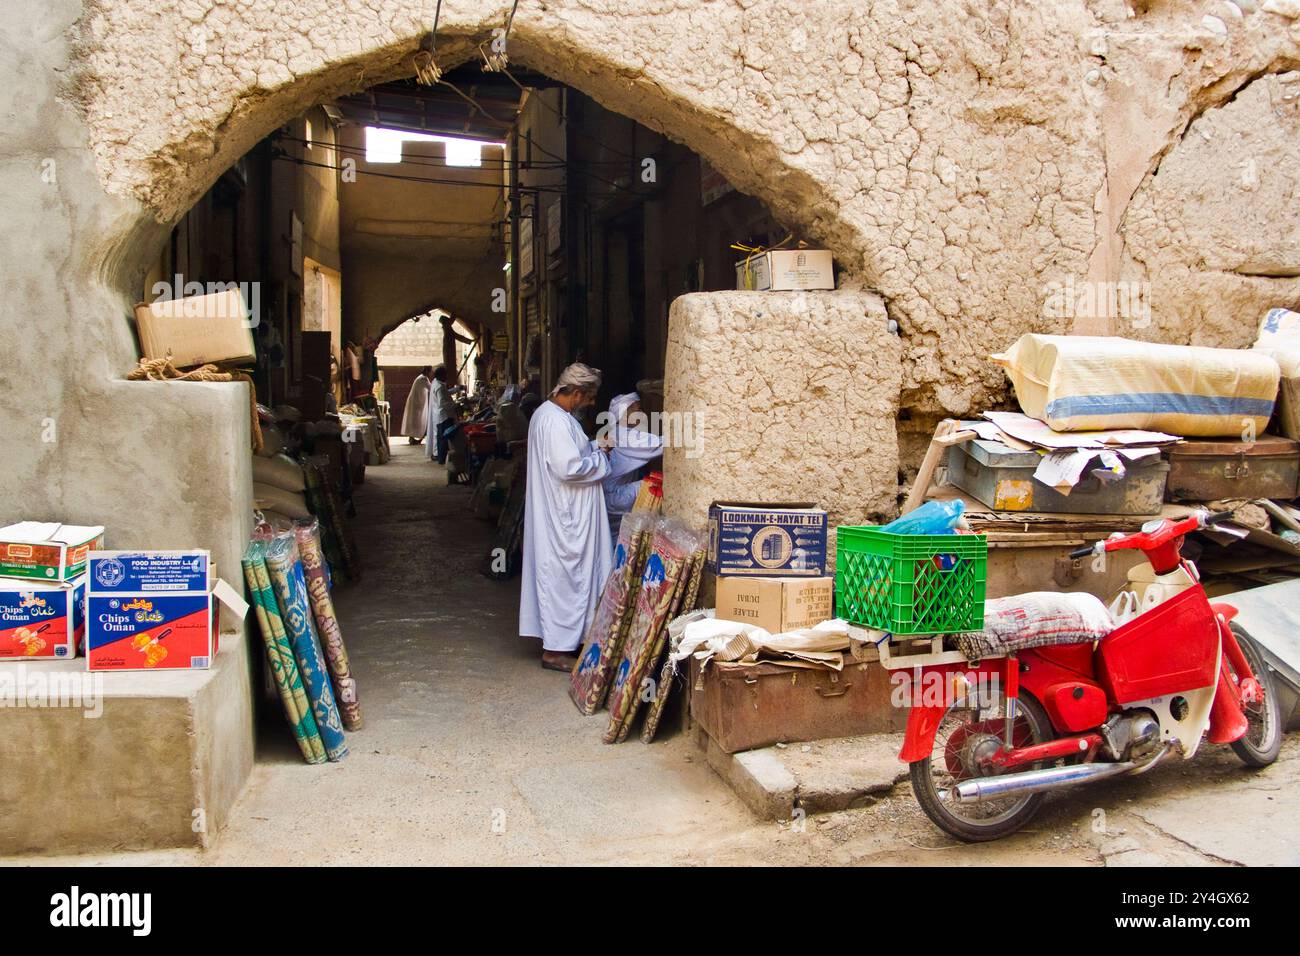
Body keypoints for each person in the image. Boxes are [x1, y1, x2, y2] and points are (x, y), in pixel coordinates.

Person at [519, 363, 614, 671]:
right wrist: (600, 457)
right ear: (574, 393)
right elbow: (569, 467)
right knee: (564, 579)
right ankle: (555, 650)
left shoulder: (558, 417)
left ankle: (569, 641)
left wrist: (593, 446)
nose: (591, 403)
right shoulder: (554, 421)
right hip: (564, 517)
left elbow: (572, 451)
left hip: (566, 512)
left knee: (570, 578)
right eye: (588, 397)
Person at [601, 392, 663, 551]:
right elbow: (662, 444)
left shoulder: (619, 432)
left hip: (610, 498)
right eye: (638, 409)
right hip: (615, 497)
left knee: (615, 541)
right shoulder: (624, 435)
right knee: (655, 484)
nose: (643, 414)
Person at [425, 366, 455, 465]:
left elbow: (446, 393)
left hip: (440, 416)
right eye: (445, 374)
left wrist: (457, 389)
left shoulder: (436, 383)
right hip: (444, 416)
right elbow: (442, 402)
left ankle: (440, 458)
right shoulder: (439, 386)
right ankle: (441, 459)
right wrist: (454, 405)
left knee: (441, 438)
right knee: (443, 439)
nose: (446, 376)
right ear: (442, 375)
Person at [401, 365, 432, 444]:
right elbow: (431, 388)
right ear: (428, 371)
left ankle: (413, 438)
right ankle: (413, 438)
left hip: (417, 402)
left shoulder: (422, 377)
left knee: (415, 420)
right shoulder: (423, 378)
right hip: (417, 402)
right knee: (416, 420)